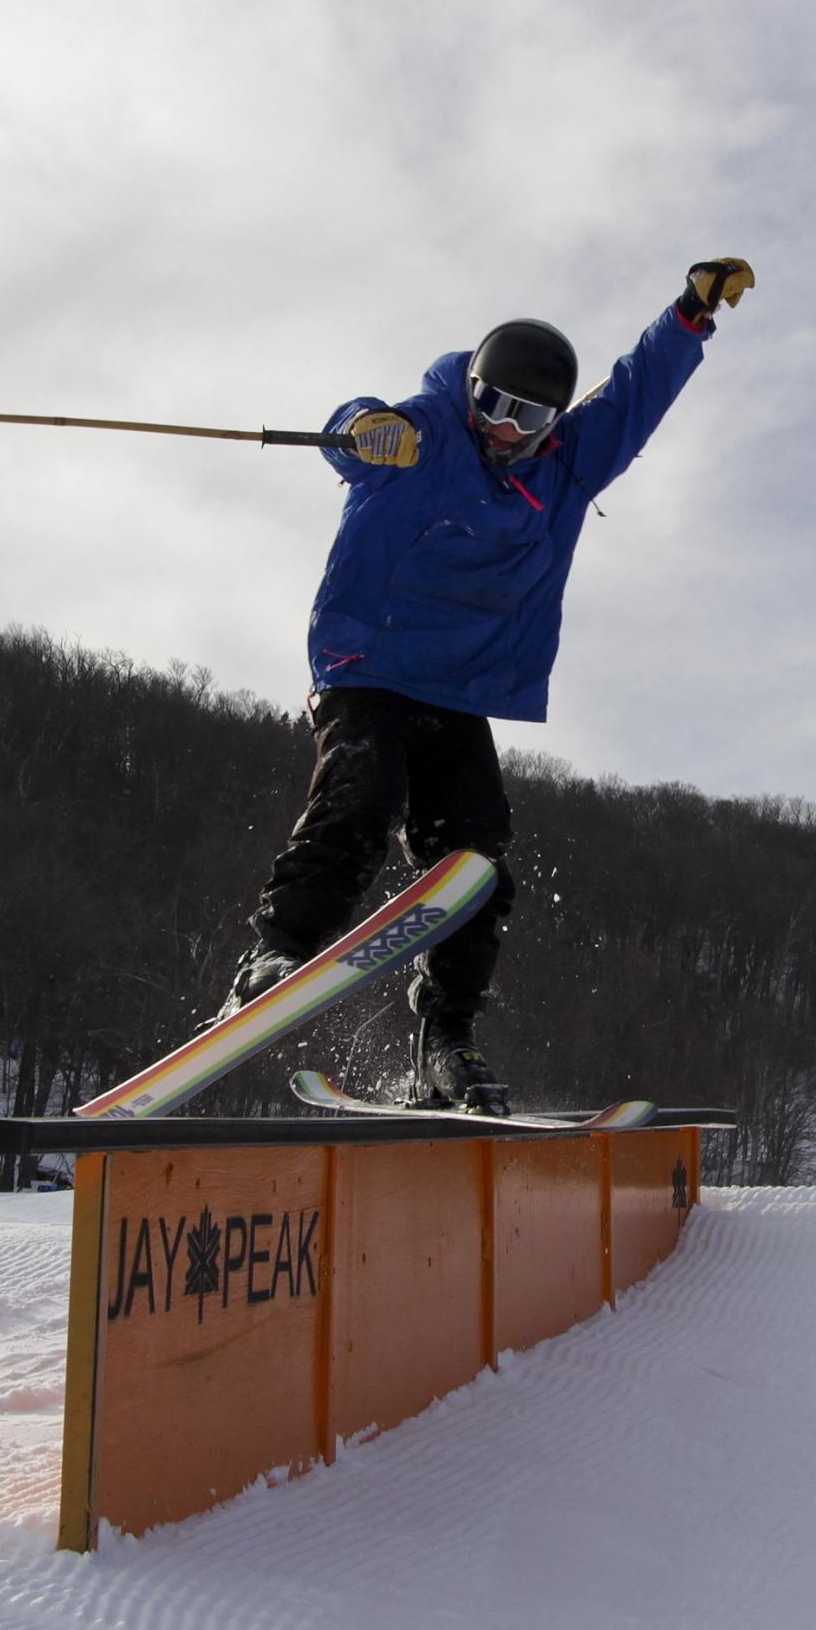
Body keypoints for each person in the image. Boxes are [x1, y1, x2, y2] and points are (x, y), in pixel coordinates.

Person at [223, 258, 757, 1115]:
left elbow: (633, 396)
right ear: (471, 389)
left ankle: (446, 1038)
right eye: (496, 405)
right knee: (364, 791)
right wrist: (367, 426)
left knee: (475, 859)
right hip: (369, 664)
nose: (508, 429)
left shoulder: (568, 467)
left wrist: (689, 316)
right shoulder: (428, 433)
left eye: (533, 416)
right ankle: (277, 948)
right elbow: (352, 429)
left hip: (457, 687)